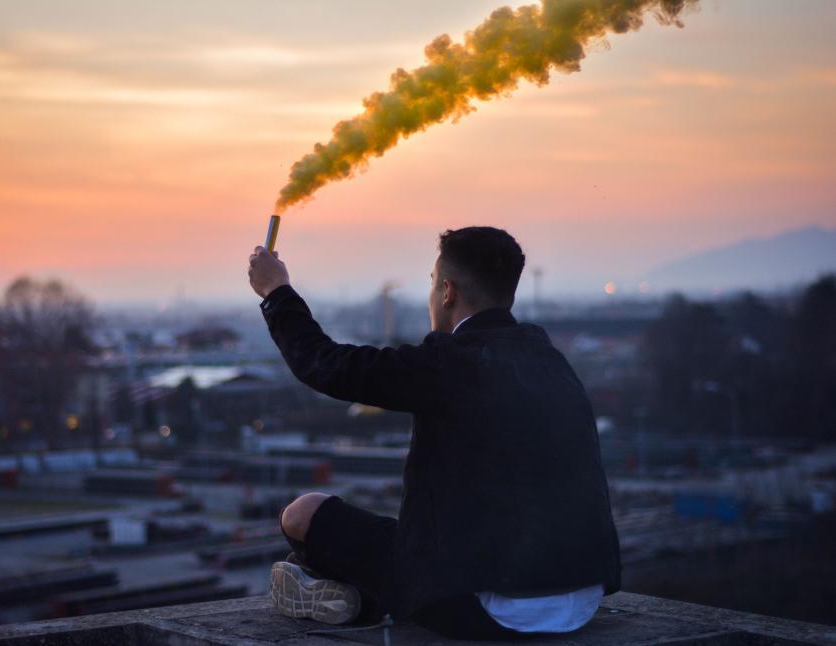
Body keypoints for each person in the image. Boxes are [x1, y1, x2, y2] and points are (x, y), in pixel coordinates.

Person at [247, 226, 621, 640]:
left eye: (431, 284)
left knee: (303, 513)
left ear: (447, 291)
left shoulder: (449, 363)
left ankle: (350, 595)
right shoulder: (552, 362)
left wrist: (276, 292)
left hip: (485, 608)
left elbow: (326, 364)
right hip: (581, 599)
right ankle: (353, 595)